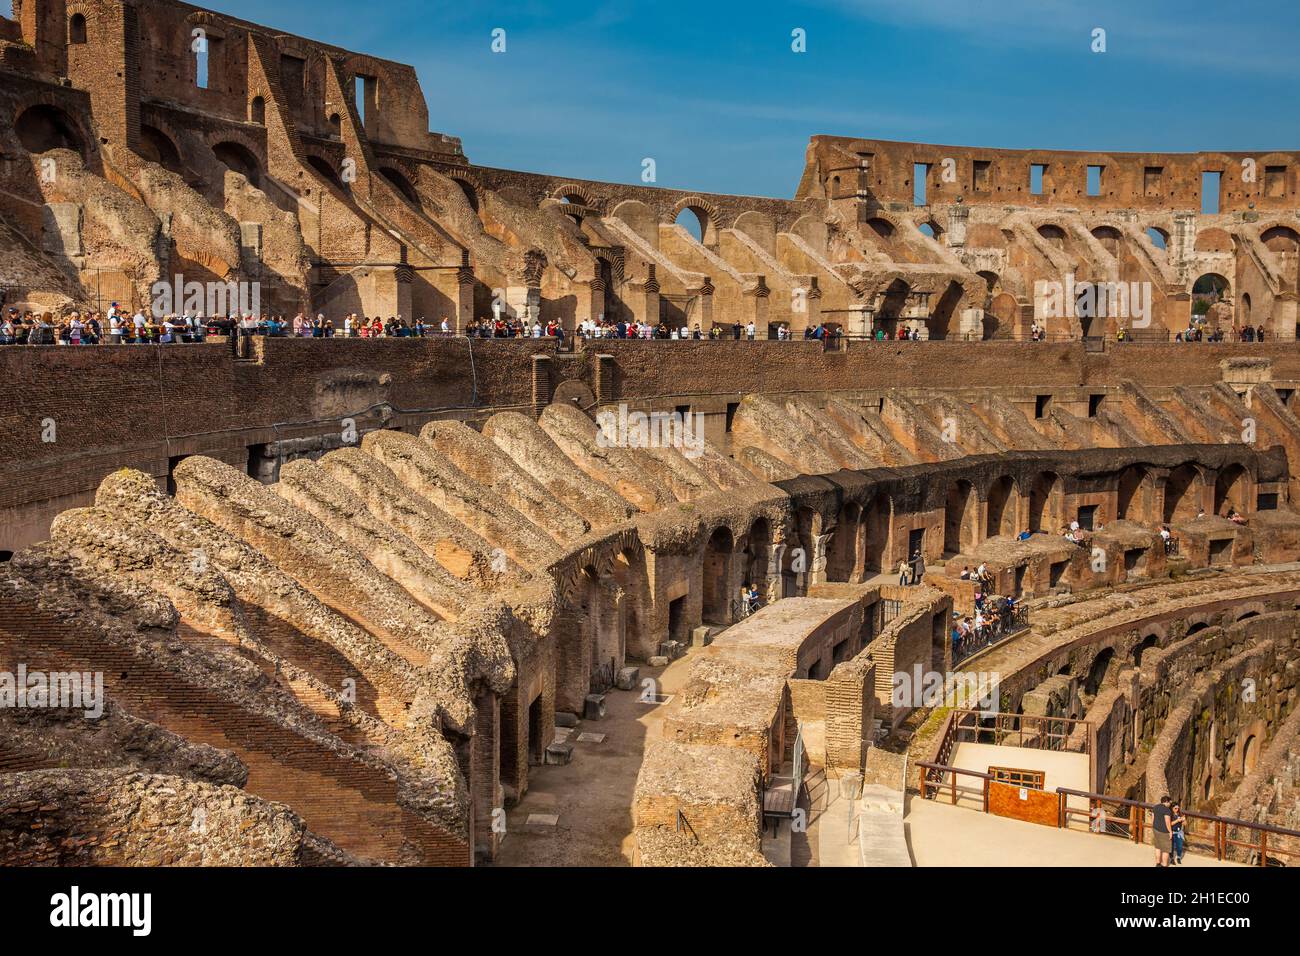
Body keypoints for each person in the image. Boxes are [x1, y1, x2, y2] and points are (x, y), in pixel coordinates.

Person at [1151, 794, 1173, 866]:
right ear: (1166, 802)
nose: (1170, 804)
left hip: (1156, 829)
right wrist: (1170, 832)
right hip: (1164, 832)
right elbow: (1167, 822)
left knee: (1158, 847)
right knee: (1166, 850)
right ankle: (1164, 865)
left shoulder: (1155, 807)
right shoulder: (1167, 810)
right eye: (1170, 803)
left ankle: (1158, 863)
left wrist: (1153, 827)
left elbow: (1153, 819)